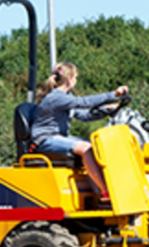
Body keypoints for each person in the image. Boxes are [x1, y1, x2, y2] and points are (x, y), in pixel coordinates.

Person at [30, 62, 129, 202]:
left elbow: (85, 116)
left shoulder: (66, 98)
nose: (76, 81)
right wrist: (113, 95)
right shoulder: (56, 97)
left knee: (95, 145)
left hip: (59, 138)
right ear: (70, 79)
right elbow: (84, 102)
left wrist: (107, 110)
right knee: (86, 147)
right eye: (76, 77)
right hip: (45, 140)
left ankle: (100, 192)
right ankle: (105, 190)